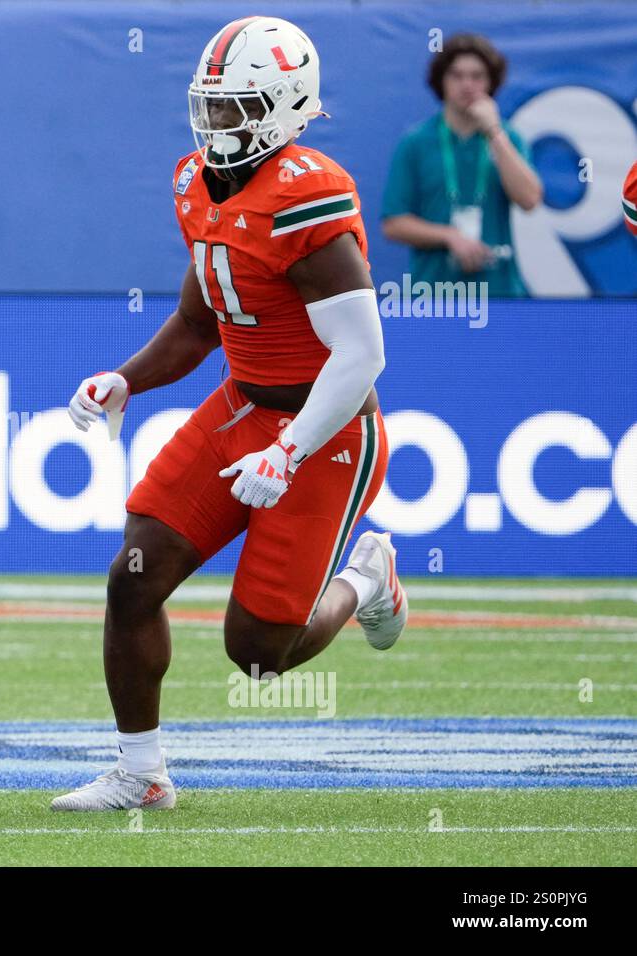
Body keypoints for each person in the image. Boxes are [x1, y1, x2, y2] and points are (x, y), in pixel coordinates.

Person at [52, 16, 406, 812]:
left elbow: (360, 357)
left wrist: (289, 454)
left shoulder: (306, 199)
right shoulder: (194, 182)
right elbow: (199, 320)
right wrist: (127, 380)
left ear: (284, 108)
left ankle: (366, 579)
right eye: (208, 107)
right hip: (241, 406)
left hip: (328, 431)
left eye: (235, 108)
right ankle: (142, 775)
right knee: (132, 578)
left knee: (257, 656)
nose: (214, 126)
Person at [381, 33, 541, 297]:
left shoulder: (507, 137)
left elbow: (529, 199)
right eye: (456, 75)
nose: (467, 85)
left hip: (500, 294)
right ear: (441, 81)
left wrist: (493, 131)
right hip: (432, 295)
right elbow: (393, 223)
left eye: (477, 76)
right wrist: (449, 236)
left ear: (491, 83)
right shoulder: (416, 141)